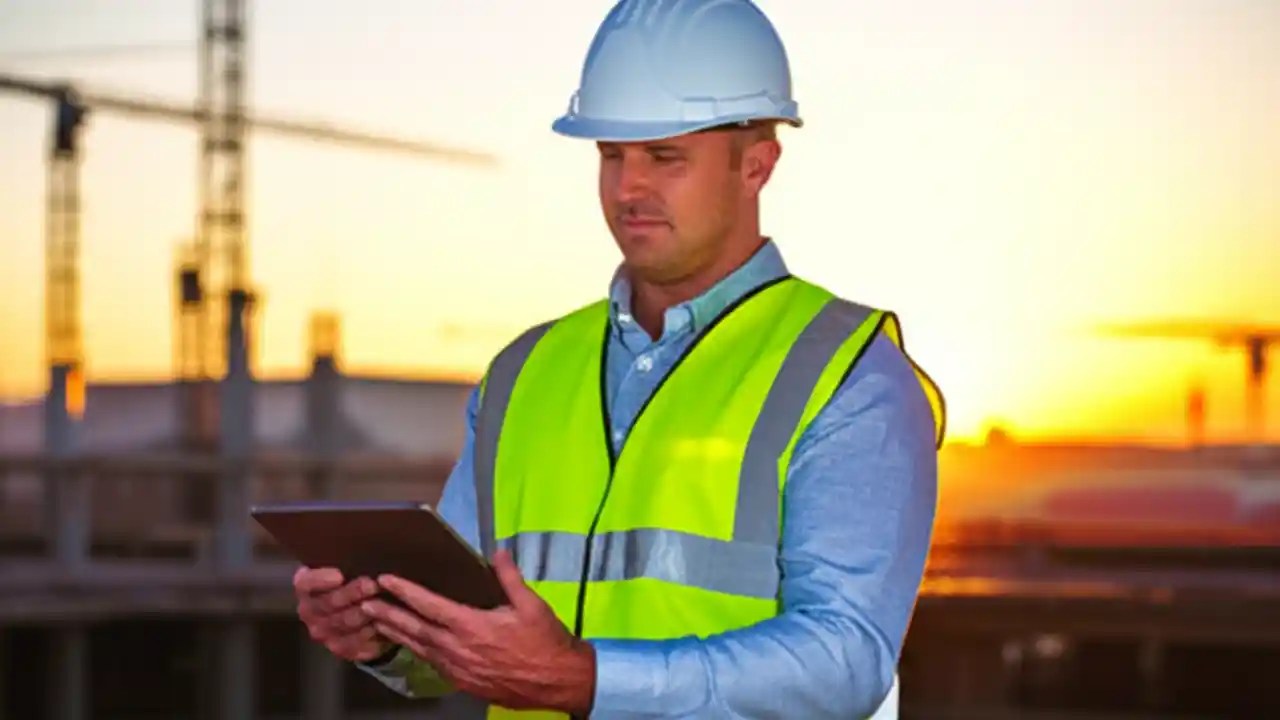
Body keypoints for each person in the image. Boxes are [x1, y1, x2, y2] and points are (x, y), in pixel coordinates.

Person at [293, 0, 945, 717]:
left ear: (756, 165)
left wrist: (588, 679)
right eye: (611, 155)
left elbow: (844, 661)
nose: (628, 188)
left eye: (665, 157)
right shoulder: (524, 373)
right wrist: (389, 636)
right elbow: (468, 635)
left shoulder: (850, 375)